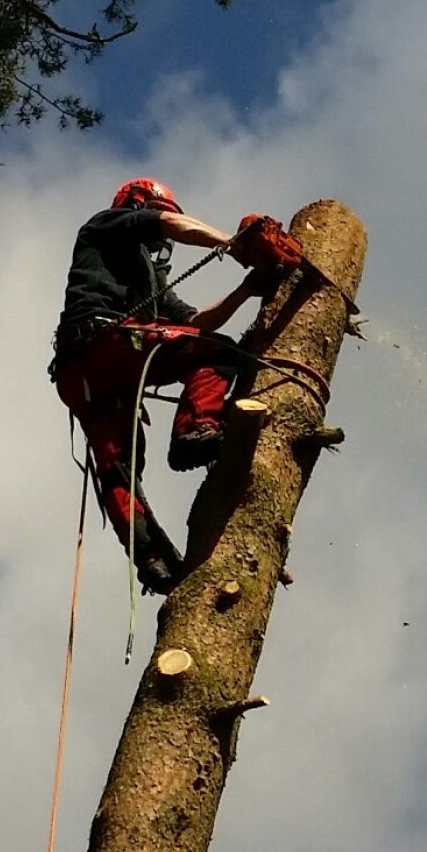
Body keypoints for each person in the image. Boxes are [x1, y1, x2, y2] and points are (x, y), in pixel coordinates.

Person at [50, 177, 289, 594]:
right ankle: (195, 430)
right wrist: (236, 246)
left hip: (84, 377)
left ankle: (153, 559)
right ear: (140, 204)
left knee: (118, 468)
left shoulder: (152, 281)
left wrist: (247, 290)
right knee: (221, 354)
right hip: (105, 343)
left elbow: (195, 325)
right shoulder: (107, 224)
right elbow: (170, 226)